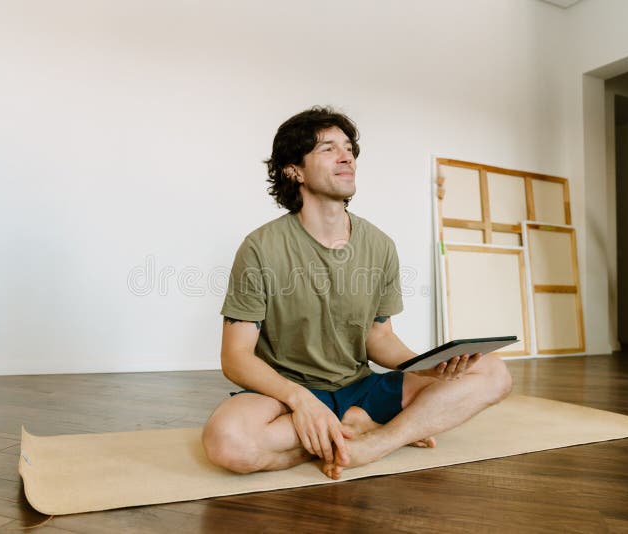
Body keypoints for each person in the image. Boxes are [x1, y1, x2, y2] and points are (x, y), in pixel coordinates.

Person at [202, 106, 512, 480]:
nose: (346, 156)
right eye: (328, 148)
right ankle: (362, 428)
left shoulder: (380, 245)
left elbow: (377, 336)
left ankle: (376, 443)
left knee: (494, 373)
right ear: (293, 170)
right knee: (227, 441)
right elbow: (235, 357)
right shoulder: (260, 248)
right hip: (285, 396)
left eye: (348, 148)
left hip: (360, 388)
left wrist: (426, 366)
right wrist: (301, 402)